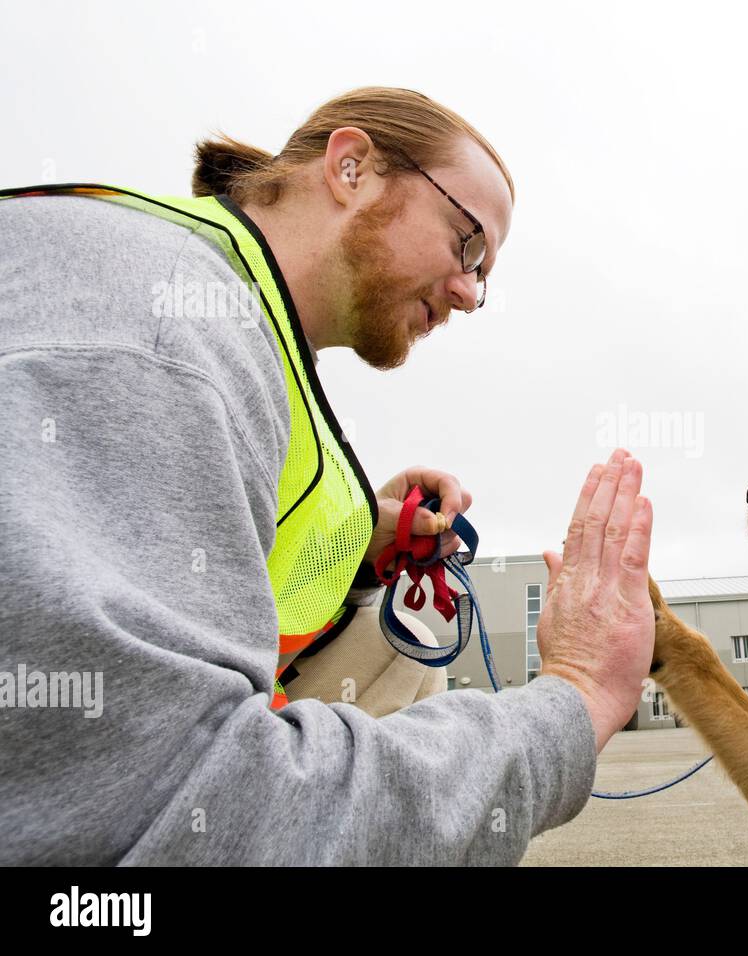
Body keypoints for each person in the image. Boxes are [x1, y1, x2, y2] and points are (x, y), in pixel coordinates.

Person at [0, 87, 655, 865]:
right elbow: (177, 811)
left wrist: (362, 542)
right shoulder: (159, 335)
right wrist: (576, 698)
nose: (470, 294)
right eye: (466, 244)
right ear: (351, 168)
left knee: (400, 654)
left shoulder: (232, 322)